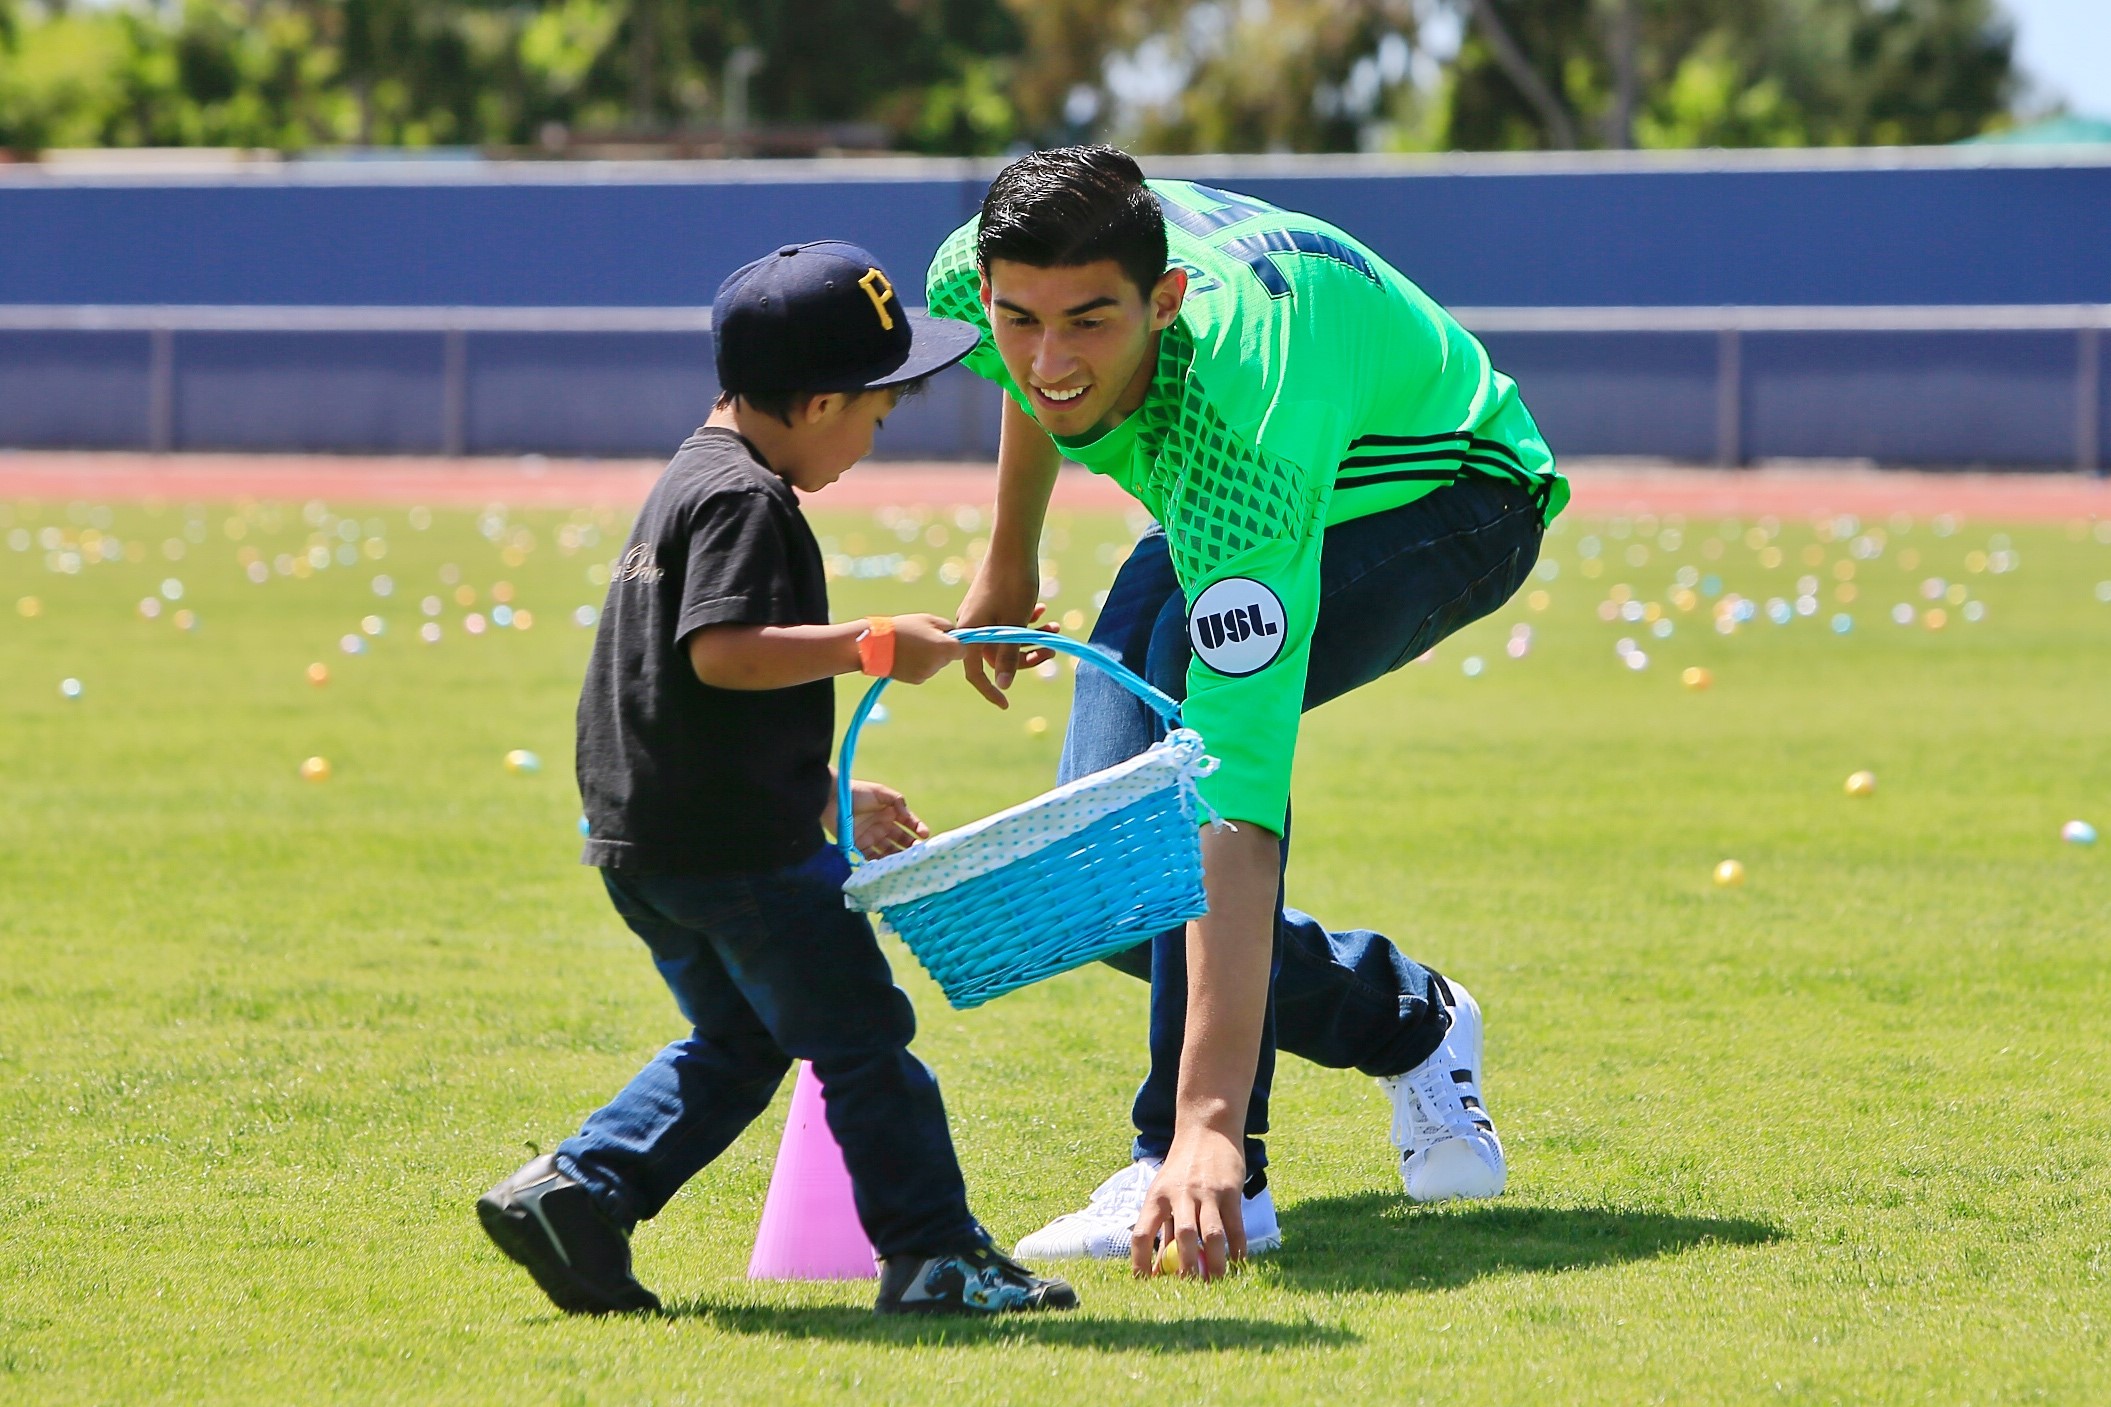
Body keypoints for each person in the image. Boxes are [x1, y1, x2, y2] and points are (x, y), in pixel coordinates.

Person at [926, 147, 1568, 1277]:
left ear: (1162, 301)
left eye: (1090, 321)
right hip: (1236, 496)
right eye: (1019, 319)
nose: (1050, 359)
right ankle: (1402, 1016)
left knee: (1173, 803)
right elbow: (1027, 378)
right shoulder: (966, 277)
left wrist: (1207, 1124)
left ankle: (1216, 1175)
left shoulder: (1245, 429)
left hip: (1447, 495)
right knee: (1107, 865)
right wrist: (1009, 555)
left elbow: (1231, 786)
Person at [477, 241, 1076, 1318]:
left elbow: (695, 714)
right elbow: (723, 653)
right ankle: (934, 1251)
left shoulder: (690, 479)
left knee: (743, 1040)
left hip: (652, 847)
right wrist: (878, 641)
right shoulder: (747, 502)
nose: (869, 443)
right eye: (870, 418)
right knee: (861, 1038)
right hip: (737, 859)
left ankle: (579, 1193)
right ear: (812, 403)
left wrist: (830, 798)